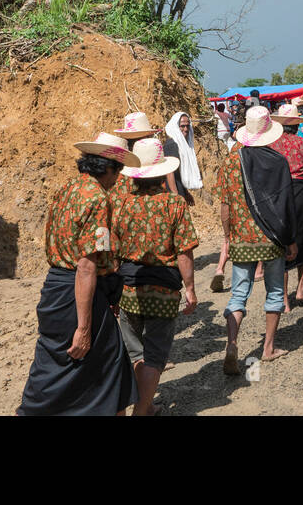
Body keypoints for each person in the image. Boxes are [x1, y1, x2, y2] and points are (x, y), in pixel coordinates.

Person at [19, 133, 140, 415]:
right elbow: (86, 266)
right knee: (109, 369)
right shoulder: (98, 198)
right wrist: (84, 329)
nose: (117, 179)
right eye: (117, 171)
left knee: (53, 369)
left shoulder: (68, 188)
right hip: (78, 295)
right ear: (107, 168)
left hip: (55, 290)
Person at [111, 137, 197, 416]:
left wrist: (113, 288)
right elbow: (184, 251)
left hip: (129, 288)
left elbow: (113, 251)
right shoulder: (175, 204)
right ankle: (142, 411)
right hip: (163, 289)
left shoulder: (121, 203)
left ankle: (145, 406)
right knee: (155, 356)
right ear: (162, 173)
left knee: (136, 353)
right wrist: (190, 288)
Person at [216, 106, 299, 374]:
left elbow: (225, 207)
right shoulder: (279, 162)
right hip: (272, 238)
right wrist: (291, 240)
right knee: (274, 292)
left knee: (239, 294)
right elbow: (286, 206)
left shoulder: (230, 163)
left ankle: (232, 344)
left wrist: (227, 236)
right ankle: (268, 348)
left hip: (241, 239)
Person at [269, 104, 303, 308]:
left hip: (277, 195)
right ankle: (301, 288)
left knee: (282, 242)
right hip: (300, 194)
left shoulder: (270, 145)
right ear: (297, 126)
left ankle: (283, 298)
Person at [161, 111, 204, 199]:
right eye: (182, 126)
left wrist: (186, 193)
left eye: (188, 126)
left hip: (179, 189)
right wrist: (176, 196)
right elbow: (170, 172)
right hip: (174, 192)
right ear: (176, 126)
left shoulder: (181, 144)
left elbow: (180, 172)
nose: (186, 129)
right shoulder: (172, 144)